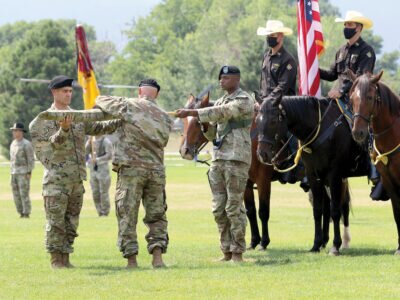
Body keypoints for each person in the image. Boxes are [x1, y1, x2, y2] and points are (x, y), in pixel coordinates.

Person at [29, 75, 121, 269]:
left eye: (70, 91)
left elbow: (97, 127)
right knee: (56, 222)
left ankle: (67, 258)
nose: (69, 94)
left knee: (72, 222)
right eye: (65, 91)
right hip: (56, 181)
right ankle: (56, 261)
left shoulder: (78, 116)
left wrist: (120, 120)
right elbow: (48, 147)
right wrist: (63, 129)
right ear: (54, 92)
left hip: (77, 179)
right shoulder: (45, 118)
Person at [175, 66, 254, 262]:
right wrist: (205, 126)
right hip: (218, 159)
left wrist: (194, 111)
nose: (221, 81)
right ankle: (226, 251)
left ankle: (238, 252)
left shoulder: (243, 100)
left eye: (226, 78)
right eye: (220, 78)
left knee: (234, 207)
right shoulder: (219, 101)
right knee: (218, 208)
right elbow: (213, 134)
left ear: (236, 79)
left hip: (236, 158)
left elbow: (224, 112)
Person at [94, 79, 173, 269]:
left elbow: (102, 100)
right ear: (157, 94)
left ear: (139, 91)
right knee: (157, 215)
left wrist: (97, 98)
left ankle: (132, 260)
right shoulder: (165, 117)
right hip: (155, 171)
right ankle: (157, 258)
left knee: (127, 214)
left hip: (131, 170)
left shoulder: (128, 106)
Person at [318, 11, 383, 200]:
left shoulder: (367, 51)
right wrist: (314, 68)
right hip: (337, 99)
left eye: (350, 25)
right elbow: (332, 74)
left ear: (359, 28)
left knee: (365, 127)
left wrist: (342, 90)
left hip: (357, 100)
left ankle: (374, 171)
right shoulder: (341, 50)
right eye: (345, 25)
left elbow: (363, 79)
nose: (346, 28)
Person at [256, 20, 305, 186]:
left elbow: (284, 86)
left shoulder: (288, 60)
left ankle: (299, 166)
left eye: (273, 35)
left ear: (281, 37)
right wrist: (261, 100)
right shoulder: (266, 56)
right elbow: (263, 82)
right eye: (268, 35)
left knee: (291, 134)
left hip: (284, 103)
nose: (270, 38)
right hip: (266, 103)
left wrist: (268, 101)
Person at [9, 122, 34, 218]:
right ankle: (20, 212)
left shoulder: (26, 144)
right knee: (16, 194)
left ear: (21, 132)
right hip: (14, 172)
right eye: (13, 131)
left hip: (23, 172)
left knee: (24, 194)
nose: (14, 133)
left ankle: (26, 212)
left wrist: (29, 172)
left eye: (16, 131)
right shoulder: (13, 144)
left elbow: (30, 159)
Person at [85, 135, 113, 216]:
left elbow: (109, 155)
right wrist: (89, 141)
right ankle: (99, 211)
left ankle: (105, 212)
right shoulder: (91, 141)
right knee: (95, 192)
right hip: (93, 170)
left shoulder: (106, 141)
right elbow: (86, 151)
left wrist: (97, 159)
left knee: (103, 192)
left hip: (103, 170)